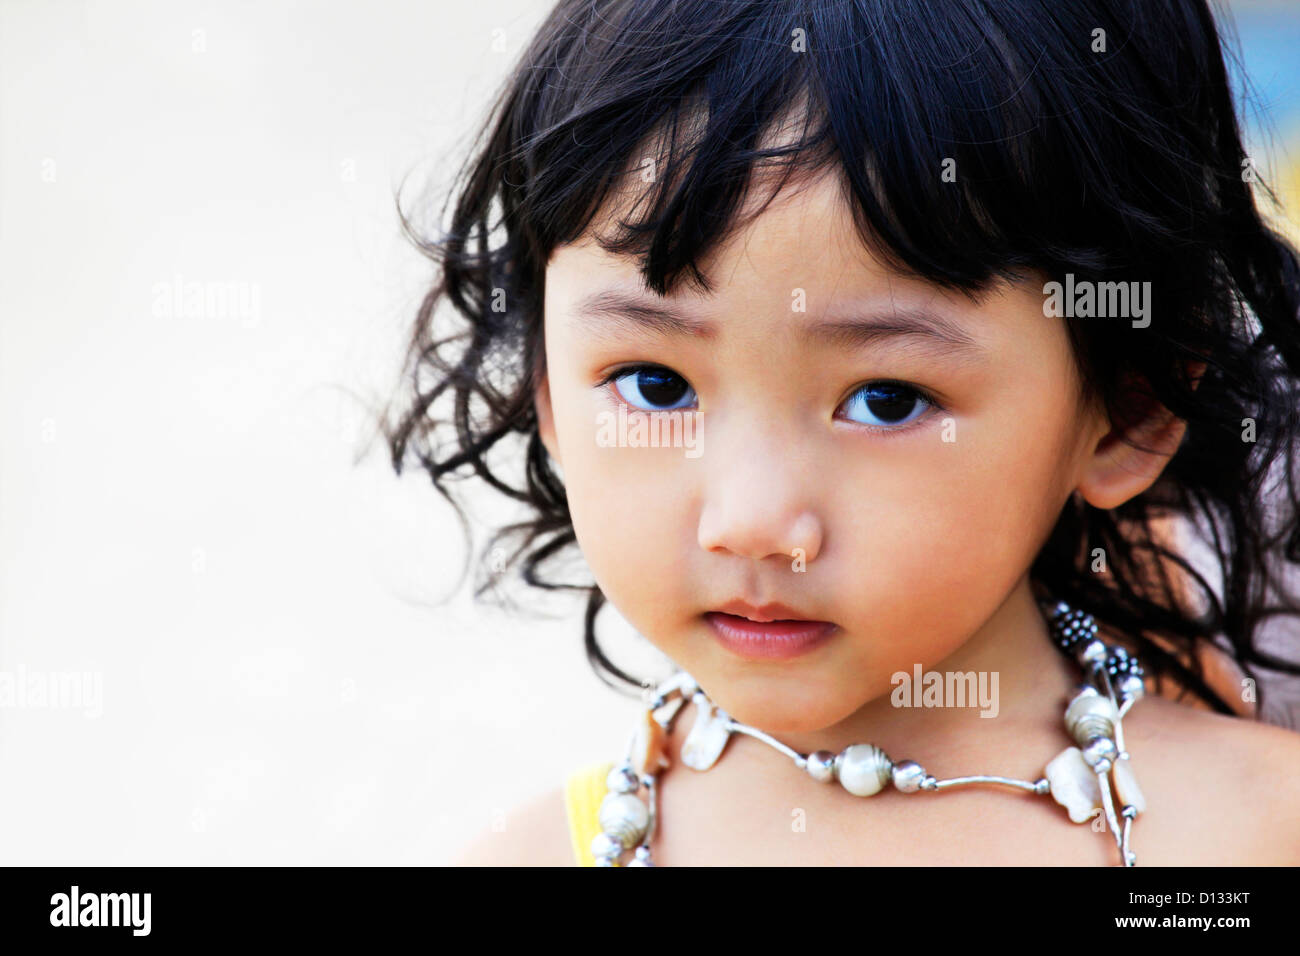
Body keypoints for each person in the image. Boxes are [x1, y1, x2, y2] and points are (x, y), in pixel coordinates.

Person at [386, 0, 1300, 865]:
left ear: (1128, 412)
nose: (750, 522)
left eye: (887, 400)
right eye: (655, 385)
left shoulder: (1252, 834)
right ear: (546, 389)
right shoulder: (548, 855)